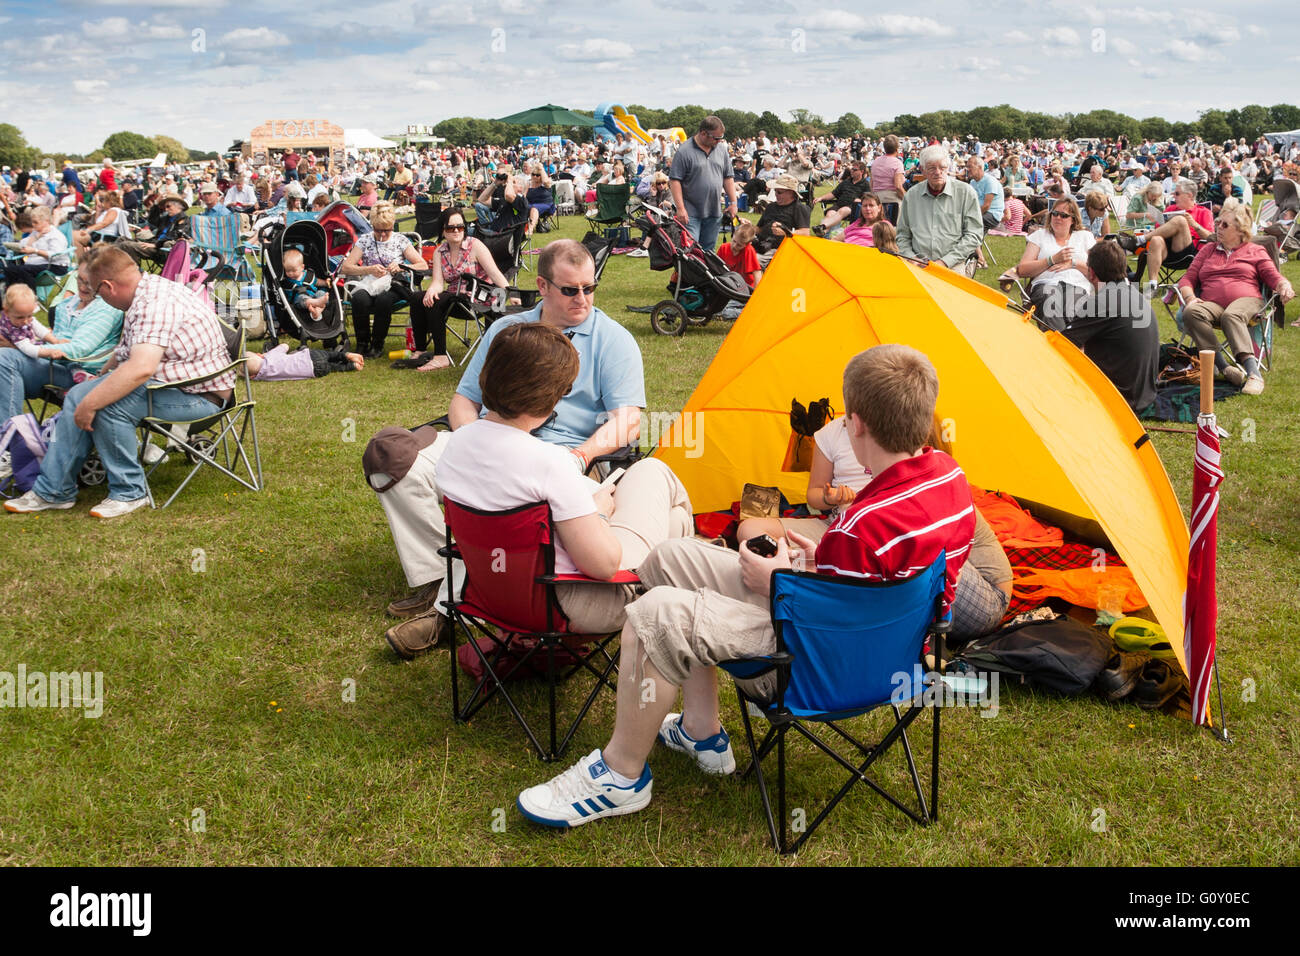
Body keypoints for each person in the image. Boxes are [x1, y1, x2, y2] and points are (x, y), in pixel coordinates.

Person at [515, 344, 977, 828]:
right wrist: (816, 565)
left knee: (658, 614)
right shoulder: (951, 481)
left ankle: (620, 775)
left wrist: (777, 579)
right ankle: (701, 731)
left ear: (855, 424)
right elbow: (888, 583)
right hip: (882, 648)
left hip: (819, 667)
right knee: (670, 558)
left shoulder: (862, 524)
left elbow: (825, 613)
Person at [368, 239, 645, 657]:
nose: (583, 299)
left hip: (563, 454)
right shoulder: (506, 329)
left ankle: (448, 609)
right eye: (571, 289)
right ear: (543, 286)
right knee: (391, 464)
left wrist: (581, 457)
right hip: (488, 439)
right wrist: (470, 446)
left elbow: (628, 419)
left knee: (514, 504)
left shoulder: (612, 339)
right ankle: (437, 572)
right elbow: (464, 401)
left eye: (590, 288)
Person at [436, 323, 692, 639]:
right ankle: (686, 612)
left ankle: (684, 591)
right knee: (653, 472)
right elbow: (603, 567)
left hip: (491, 595)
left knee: (674, 519)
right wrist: (598, 513)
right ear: (549, 398)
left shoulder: (455, 446)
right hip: (565, 603)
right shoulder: (549, 463)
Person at [3, 245, 235, 519]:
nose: (97, 298)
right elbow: (132, 354)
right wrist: (101, 377)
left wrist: (91, 402)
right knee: (84, 394)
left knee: (108, 403)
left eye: (97, 292)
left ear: (108, 287)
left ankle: (129, 492)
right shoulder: (147, 290)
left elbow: (141, 368)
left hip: (201, 397)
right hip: (175, 385)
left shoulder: (155, 303)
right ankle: (53, 491)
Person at [1176, 198, 1295, 396]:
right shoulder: (1208, 250)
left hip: (1248, 302)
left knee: (1231, 315)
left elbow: (1273, 276)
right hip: (1213, 304)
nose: (1218, 227)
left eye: (1224, 224)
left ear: (1240, 230)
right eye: (1217, 223)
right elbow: (1187, 280)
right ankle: (1225, 368)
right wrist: (1189, 299)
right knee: (1191, 312)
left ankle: (1254, 374)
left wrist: (1284, 285)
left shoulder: (1254, 250)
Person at [400, 207, 510, 372]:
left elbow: (495, 274)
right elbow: (438, 282)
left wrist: (512, 293)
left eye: (461, 226)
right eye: (451, 228)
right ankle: (421, 349)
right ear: (443, 231)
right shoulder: (439, 251)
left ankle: (441, 356)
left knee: (438, 300)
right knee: (418, 297)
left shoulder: (475, 245)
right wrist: (431, 290)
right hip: (453, 299)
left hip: (477, 298)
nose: (457, 230)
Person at [1058, 239, 1160, 414]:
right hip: (1145, 395)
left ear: (1091, 273)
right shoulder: (1135, 295)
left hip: (1119, 400)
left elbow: (1061, 345)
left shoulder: (1101, 302)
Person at [337, 201, 427, 358]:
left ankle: (377, 344)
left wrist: (401, 266)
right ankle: (362, 344)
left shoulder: (400, 240)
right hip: (369, 282)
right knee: (359, 299)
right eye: (378, 230)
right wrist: (369, 269)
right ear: (372, 226)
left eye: (387, 230)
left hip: (393, 285)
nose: (383, 235)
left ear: (393, 225)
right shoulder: (365, 240)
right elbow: (346, 267)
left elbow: (422, 264)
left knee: (383, 301)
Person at [896, 145, 982, 275]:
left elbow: (974, 234)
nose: (938, 172)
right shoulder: (911, 196)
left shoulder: (966, 193)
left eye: (942, 167)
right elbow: (902, 235)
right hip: (918, 264)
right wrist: (910, 257)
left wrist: (945, 262)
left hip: (953, 265)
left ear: (948, 168)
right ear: (922, 170)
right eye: (932, 168)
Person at [1016, 197, 1096, 327]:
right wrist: (1051, 260)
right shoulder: (1040, 235)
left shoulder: (1085, 237)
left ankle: (1057, 342)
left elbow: (1097, 272)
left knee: (1072, 307)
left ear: (1073, 220)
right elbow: (1023, 269)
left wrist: (1073, 263)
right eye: (1055, 213)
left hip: (1077, 286)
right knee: (1050, 303)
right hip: (1046, 285)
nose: (1058, 218)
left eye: (1064, 215)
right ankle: (1065, 343)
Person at [669, 115, 739, 251]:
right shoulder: (684, 152)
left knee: (708, 252)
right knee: (691, 252)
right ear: (703, 133)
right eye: (716, 138)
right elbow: (675, 180)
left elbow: (728, 177)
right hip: (690, 213)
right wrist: (680, 208)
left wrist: (733, 203)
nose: (719, 141)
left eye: (721, 138)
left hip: (714, 211)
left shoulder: (721, 150)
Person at [1136, 182, 1213, 286]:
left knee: (1180, 220)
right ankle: (1153, 284)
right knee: (1156, 239)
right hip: (1165, 252)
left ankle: (1140, 240)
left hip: (1188, 254)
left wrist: (1194, 225)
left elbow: (1211, 239)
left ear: (1189, 195)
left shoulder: (1204, 212)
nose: (1173, 196)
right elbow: (1157, 230)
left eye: (1177, 193)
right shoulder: (1170, 209)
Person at [1, 206, 70, 290]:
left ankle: (31, 297)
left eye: (36, 222)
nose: (33, 225)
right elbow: (23, 244)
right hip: (37, 264)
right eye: (32, 222)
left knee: (22, 271)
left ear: (46, 221)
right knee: (9, 269)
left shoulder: (55, 235)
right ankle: (14, 295)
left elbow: (55, 255)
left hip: (54, 266)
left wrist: (35, 251)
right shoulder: (36, 232)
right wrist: (36, 237)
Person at [753, 174, 811, 267]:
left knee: (753, 261)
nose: (776, 194)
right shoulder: (771, 206)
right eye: (775, 191)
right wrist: (748, 228)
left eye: (779, 192)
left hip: (781, 249)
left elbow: (805, 233)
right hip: (762, 244)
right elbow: (759, 228)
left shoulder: (799, 208)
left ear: (791, 193)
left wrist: (786, 232)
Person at [811, 161, 869, 235]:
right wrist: (821, 198)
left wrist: (860, 200)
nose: (852, 171)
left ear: (862, 171)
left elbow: (868, 199)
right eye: (852, 169)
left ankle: (822, 227)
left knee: (842, 211)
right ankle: (822, 232)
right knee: (830, 213)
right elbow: (833, 194)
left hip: (853, 207)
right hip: (839, 204)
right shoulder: (846, 182)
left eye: (854, 169)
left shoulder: (865, 184)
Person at [280, 248, 329, 321]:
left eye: (294, 270)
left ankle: (317, 311)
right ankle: (316, 303)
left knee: (321, 293)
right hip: (300, 301)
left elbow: (316, 282)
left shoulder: (308, 275)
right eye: (287, 271)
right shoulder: (287, 282)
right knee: (301, 298)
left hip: (314, 295)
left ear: (302, 267)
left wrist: (325, 283)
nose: (290, 273)